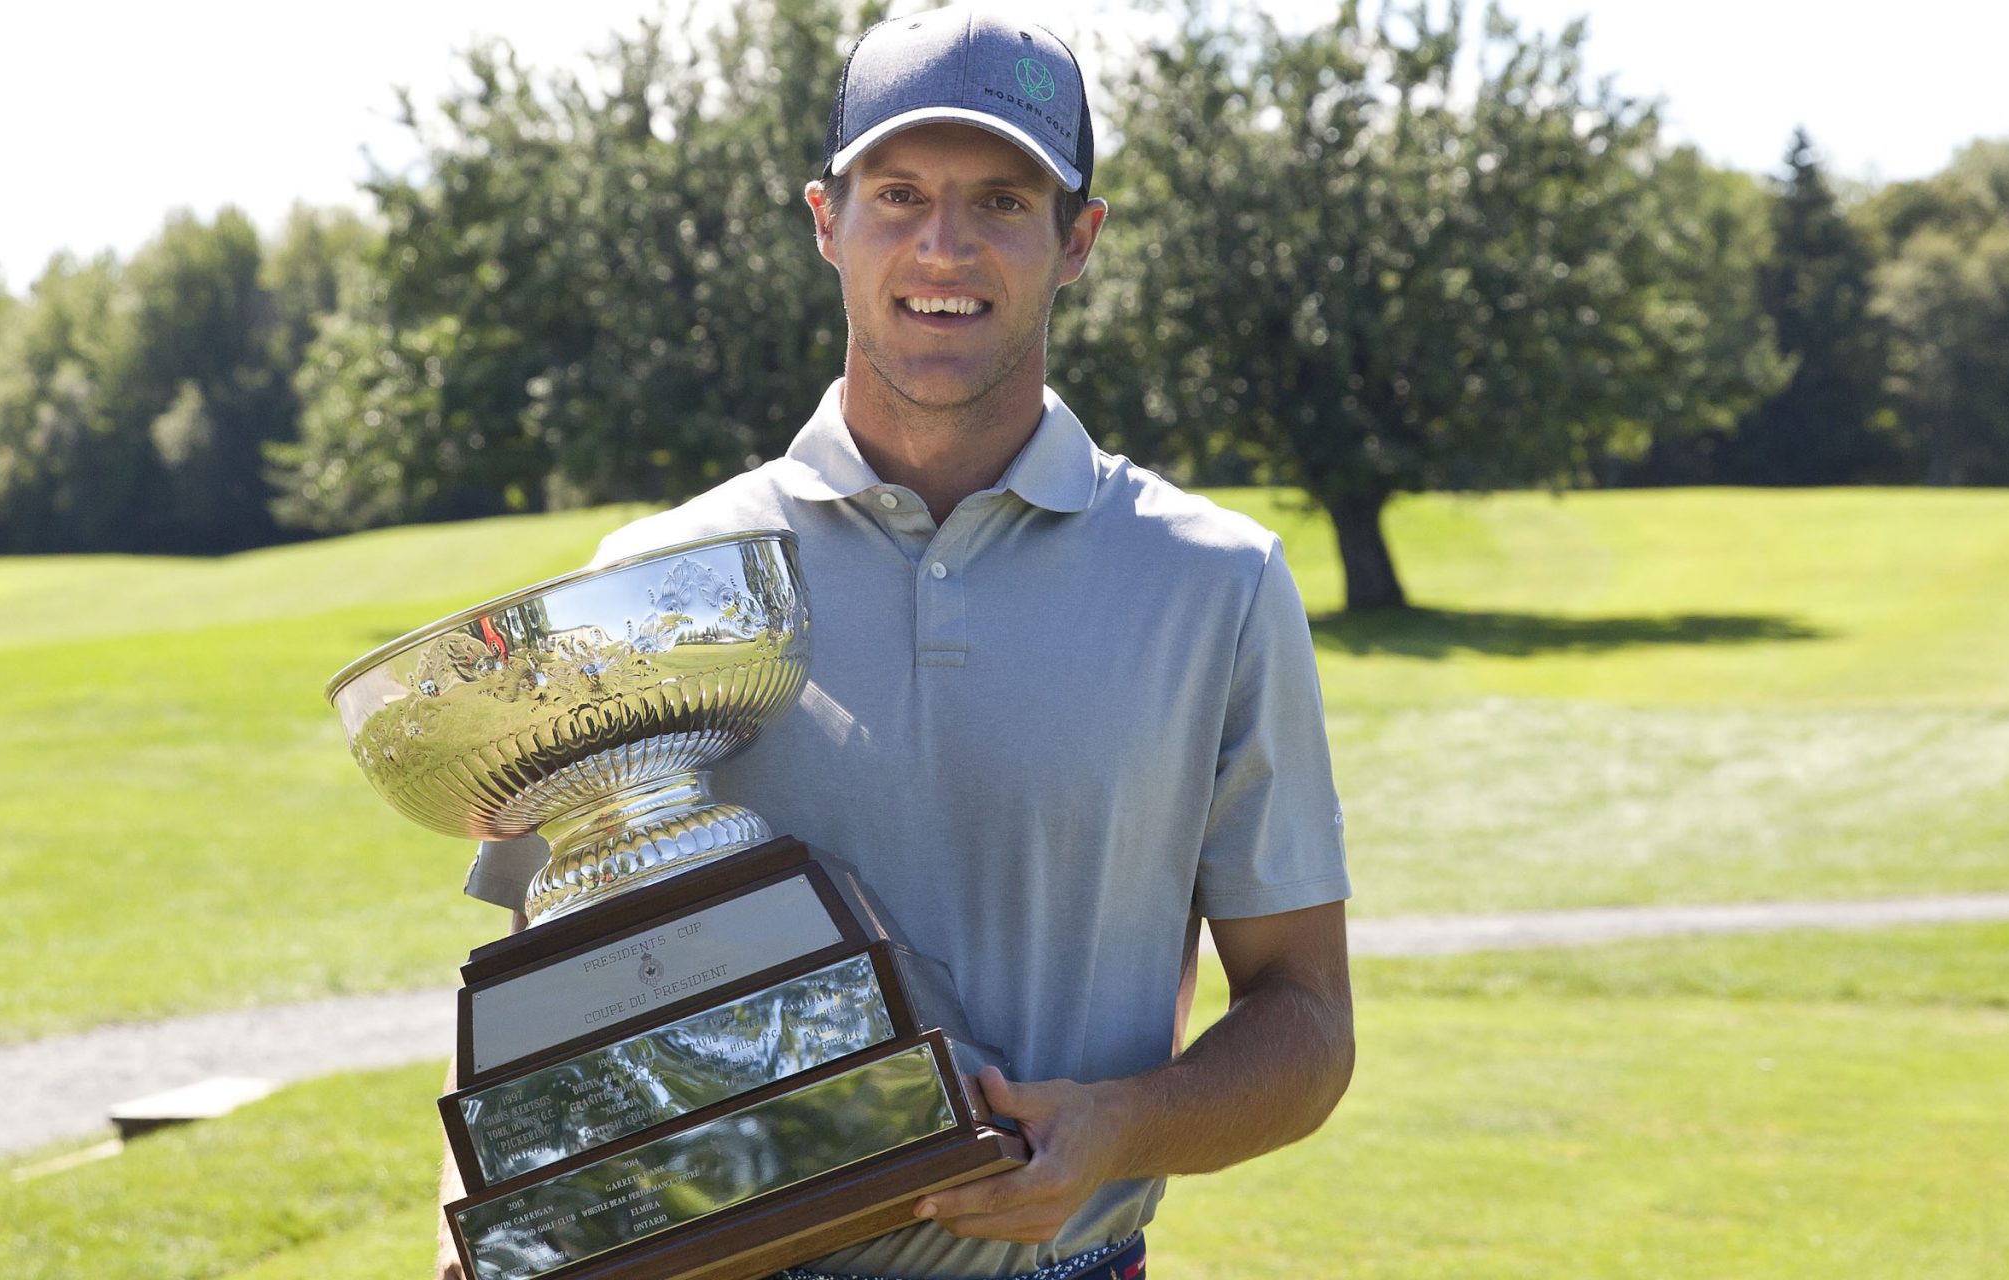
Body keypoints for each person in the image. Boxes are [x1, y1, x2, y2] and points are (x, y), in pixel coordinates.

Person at [438, 8, 1354, 1278]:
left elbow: (1306, 1021)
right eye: (900, 192)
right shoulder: (653, 581)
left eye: (1001, 200)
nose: (944, 246)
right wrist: (481, 1240)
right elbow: (532, 984)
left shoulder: (1217, 583)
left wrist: (1119, 1124)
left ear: (1076, 240)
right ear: (827, 220)